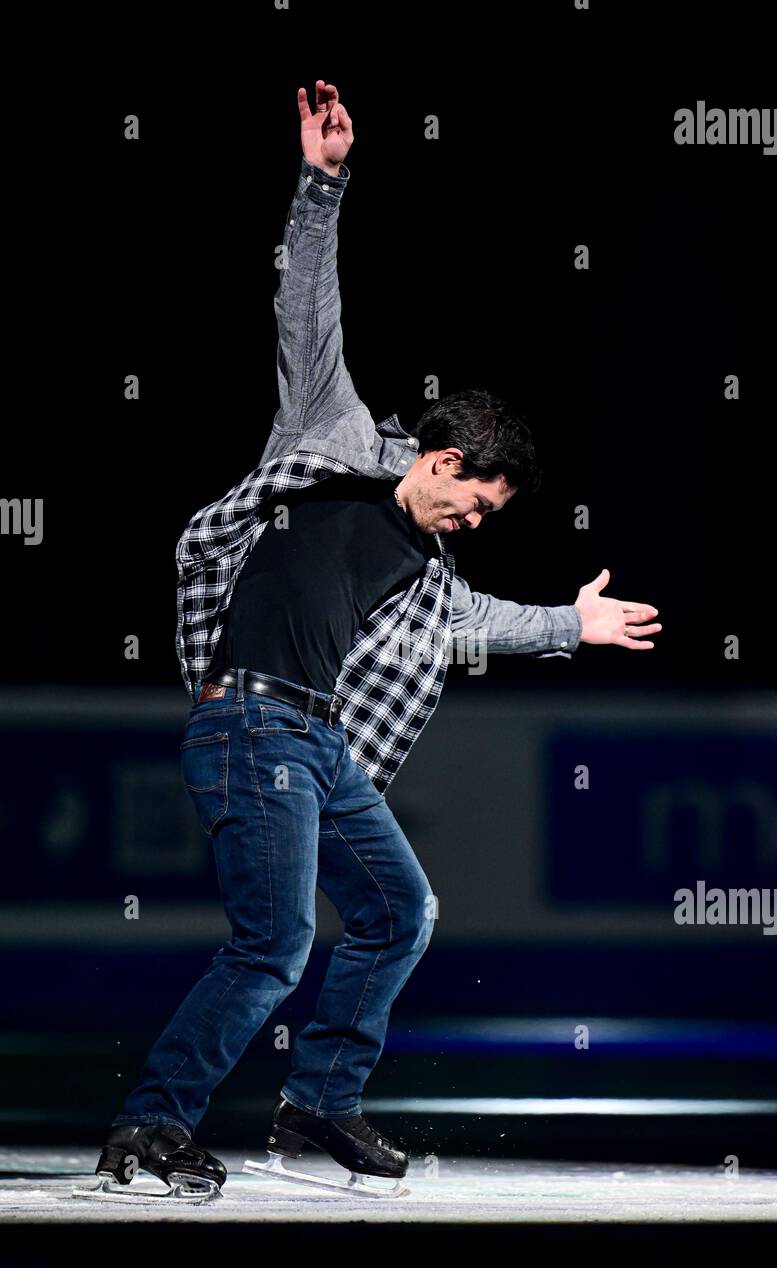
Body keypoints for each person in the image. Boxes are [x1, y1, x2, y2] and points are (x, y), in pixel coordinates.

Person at [89, 80, 661, 1200]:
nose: (476, 526)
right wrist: (322, 184)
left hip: (322, 748)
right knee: (273, 945)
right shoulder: (333, 433)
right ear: (442, 461)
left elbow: (475, 625)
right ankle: (150, 1123)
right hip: (247, 719)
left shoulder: (430, 571)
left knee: (402, 909)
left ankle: (320, 1102)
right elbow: (307, 308)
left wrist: (570, 626)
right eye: (478, 505)